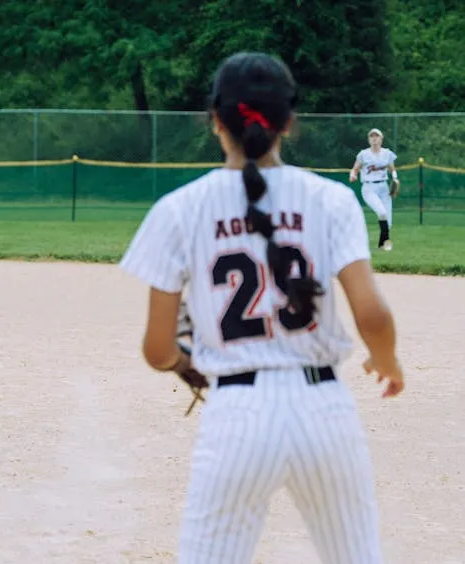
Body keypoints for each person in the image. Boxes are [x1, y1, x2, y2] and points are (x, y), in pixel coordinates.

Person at [119, 53, 405, 564]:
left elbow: (157, 348)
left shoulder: (179, 209)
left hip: (236, 413)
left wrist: (186, 365)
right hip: (325, 410)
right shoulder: (330, 199)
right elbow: (373, 316)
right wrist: (387, 360)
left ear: (214, 120)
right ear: (289, 123)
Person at [349, 128, 399, 250]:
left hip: (384, 187)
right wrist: (353, 174)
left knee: (388, 220)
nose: (374, 138)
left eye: (376, 136)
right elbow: (355, 168)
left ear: (381, 139)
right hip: (369, 188)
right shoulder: (363, 154)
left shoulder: (387, 153)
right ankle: (385, 244)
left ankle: (382, 244)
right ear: (369, 140)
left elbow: (392, 168)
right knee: (381, 212)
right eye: (371, 136)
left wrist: (395, 178)